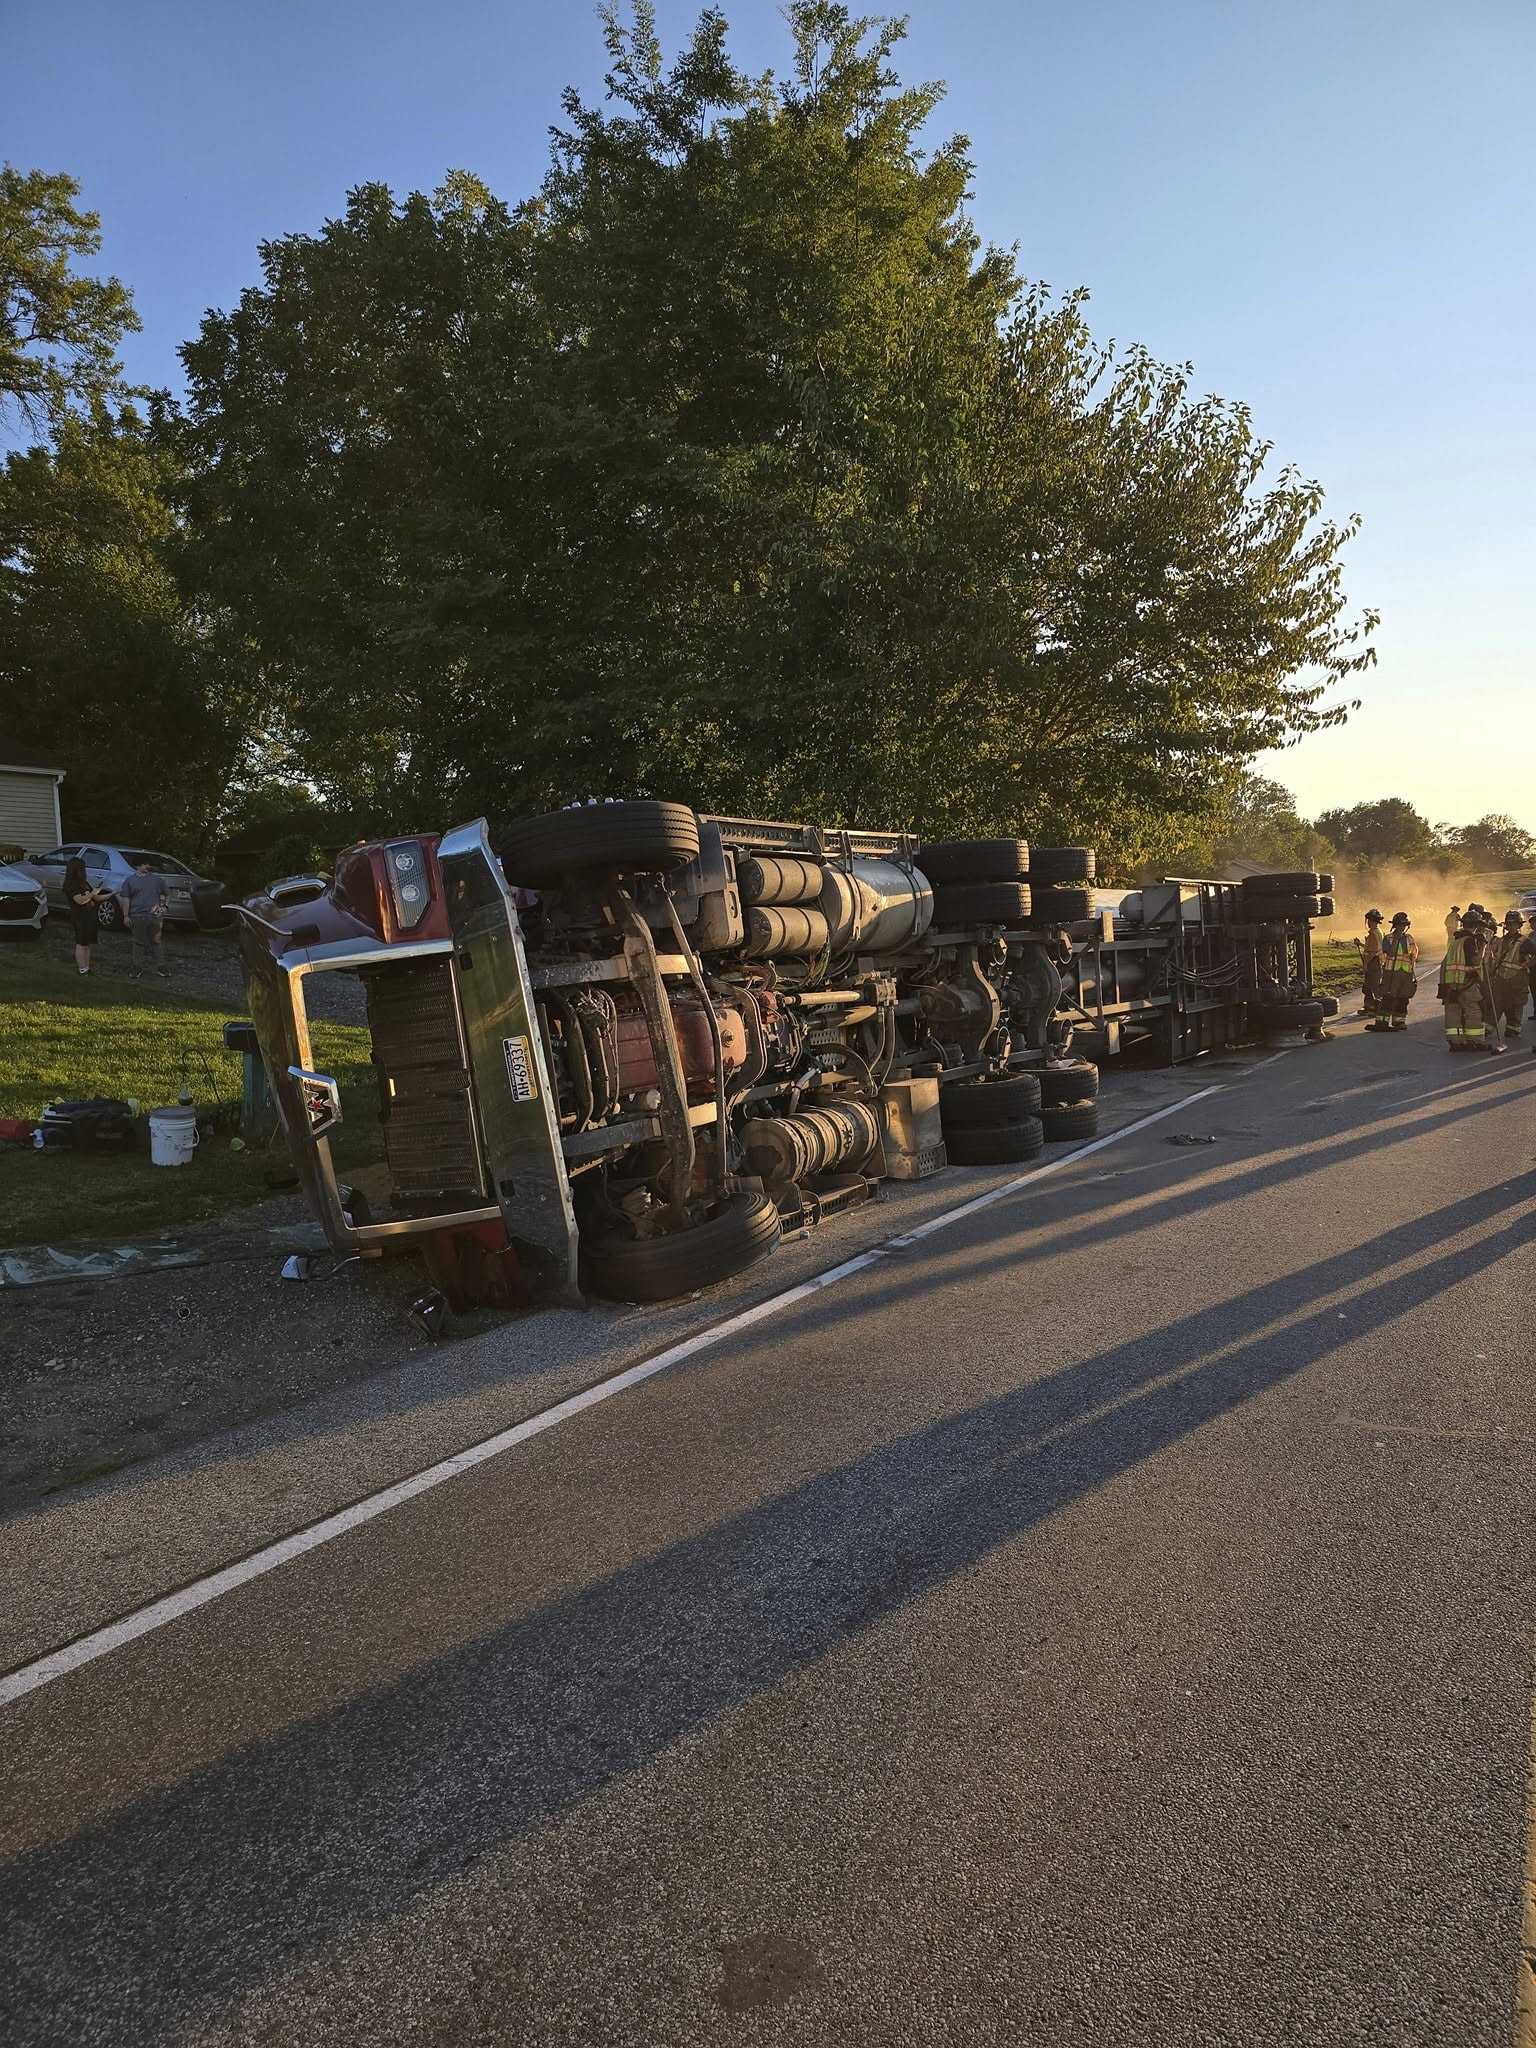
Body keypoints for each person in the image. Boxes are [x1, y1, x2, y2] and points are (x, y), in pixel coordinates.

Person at [118, 856, 169, 979]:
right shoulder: (129, 881)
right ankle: (137, 968)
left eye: (148, 864)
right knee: (138, 943)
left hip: (154, 917)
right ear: (137, 865)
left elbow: (165, 894)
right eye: (144, 864)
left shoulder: (157, 880)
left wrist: (164, 907)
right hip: (136, 916)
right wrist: (125, 916)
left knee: (156, 942)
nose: (147, 866)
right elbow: (126, 899)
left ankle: (161, 967)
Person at [64, 854, 111, 976]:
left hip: (90, 916)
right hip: (79, 917)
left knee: (87, 943)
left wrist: (112, 893)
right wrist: (92, 893)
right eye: (82, 868)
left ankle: (87, 967)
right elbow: (79, 900)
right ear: (75, 870)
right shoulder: (70, 884)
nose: (84, 871)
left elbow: (96, 897)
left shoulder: (83, 882)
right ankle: (82, 969)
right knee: (81, 943)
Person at [1373, 913, 1419, 1032]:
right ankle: (1381, 1021)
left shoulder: (1409, 938)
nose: (1401, 927)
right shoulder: (1388, 938)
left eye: (1404, 925)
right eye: (1399, 925)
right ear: (1394, 925)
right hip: (1390, 973)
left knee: (1403, 998)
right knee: (1388, 996)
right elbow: (1388, 953)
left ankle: (1399, 1021)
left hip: (1406, 973)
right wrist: (1396, 940)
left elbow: (1414, 954)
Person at [1489, 911, 1528, 1044]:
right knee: (1497, 1003)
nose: (1511, 926)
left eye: (1514, 924)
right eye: (1509, 924)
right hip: (1500, 977)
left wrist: (1526, 965)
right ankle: (1488, 1028)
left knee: (1515, 1004)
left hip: (1517, 979)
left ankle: (1513, 1029)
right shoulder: (1501, 940)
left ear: (1519, 925)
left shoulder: (1524, 941)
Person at [1355, 908, 1385, 1017]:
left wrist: (1365, 965)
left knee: (1373, 987)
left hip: (1373, 963)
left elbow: (1372, 952)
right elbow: (1373, 947)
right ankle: (1369, 1007)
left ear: (1373, 921)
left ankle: (1377, 1009)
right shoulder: (1378, 932)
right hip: (1377, 962)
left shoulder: (1373, 933)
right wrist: (1360, 944)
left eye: (1369, 920)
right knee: (1368, 987)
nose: (1368, 922)